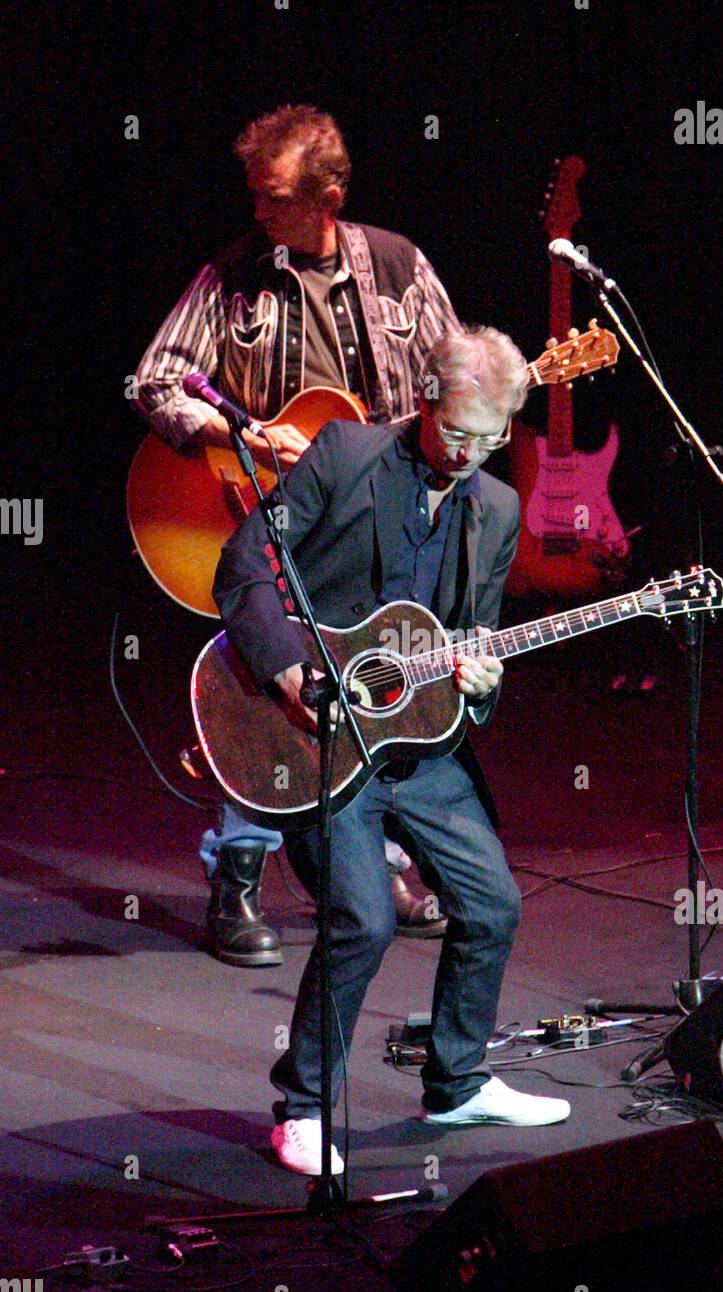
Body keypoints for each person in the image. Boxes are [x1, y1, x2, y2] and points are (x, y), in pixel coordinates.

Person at [214, 326, 571, 1176]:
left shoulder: (498, 508)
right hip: (320, 737)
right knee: (364, 918)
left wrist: (483, 680)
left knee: (492, 905)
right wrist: (291, 674)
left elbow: (474, 637)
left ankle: (457, 1082)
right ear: (425, 402)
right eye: (458, 432)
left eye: (491, 440)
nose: (470, 454)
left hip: (417, 741)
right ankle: (302, 1108)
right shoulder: (345, 456)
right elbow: (244, 566)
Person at [133, 103, 461, 964]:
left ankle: (373, 866)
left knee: (377, 686)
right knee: (268, 689)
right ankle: (237, 875)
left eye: (274, 199)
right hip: (265, 514)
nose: (258, 213)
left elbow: (453, 374)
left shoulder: (397, 269)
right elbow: (155, 379)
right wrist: (236, 436)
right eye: (255, 196)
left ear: (329, 197)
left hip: (371, 520)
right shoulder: (236, 274)